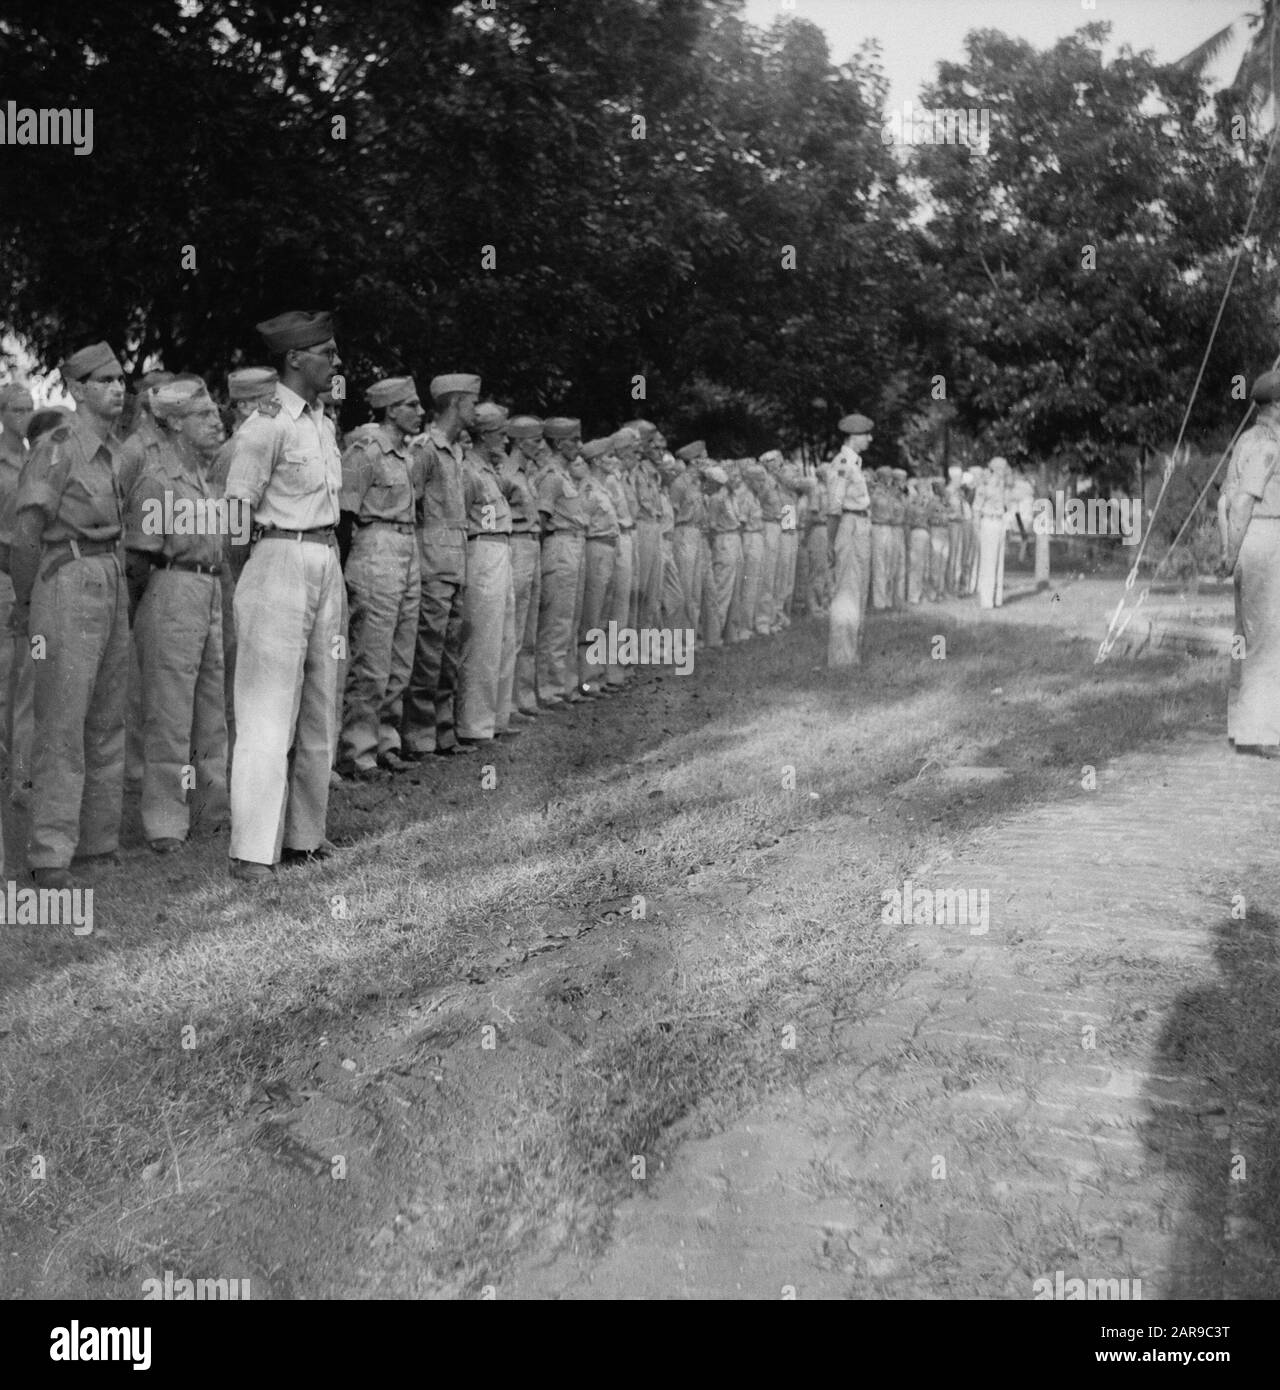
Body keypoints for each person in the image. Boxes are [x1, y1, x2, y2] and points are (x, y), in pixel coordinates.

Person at [222, 310, 346, 881]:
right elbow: (234, 518)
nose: (336, 362)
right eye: (326, 352)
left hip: (325, 557)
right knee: (268, 712)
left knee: (322, 704)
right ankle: (252, 851)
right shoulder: (266, 424)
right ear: (295, 358)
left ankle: (304, 837)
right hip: (278, 559)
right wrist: (256, 577)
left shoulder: (321, 423)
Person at [11, 342, 130, 888]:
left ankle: (100, 840)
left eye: (120, 379)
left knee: (108, 712)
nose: (118, 388)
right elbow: (27, 532)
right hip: (67, 575)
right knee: (62, 717)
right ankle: (52, 850)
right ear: (78, 389)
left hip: (108, 575)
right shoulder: (58, 447)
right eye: (104, 380)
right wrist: (30, 600)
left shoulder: (114, 450)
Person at [124, 378, 229, 851]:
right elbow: (138, 561)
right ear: (175, 424)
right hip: (171, 586)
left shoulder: (204, 476)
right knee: (168, 713)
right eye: (204, 416)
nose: (216, 421)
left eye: (214, 413)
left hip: (207, 587)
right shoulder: (157, 478)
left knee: (210, 709)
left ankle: (212, 813)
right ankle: (165, 821)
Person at [337, 375, 424, 779]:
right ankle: (358, 749)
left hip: (407, 549)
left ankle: (387, 740)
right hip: (375, 549)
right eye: (411, 405)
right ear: (391, 410)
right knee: (370, 657)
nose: (420, 412)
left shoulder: (406, 455)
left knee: (400, 655)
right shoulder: (365, 452)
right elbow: (345, 515)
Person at [402, 373, 478, 758]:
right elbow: (407, 503)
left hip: (454, 563)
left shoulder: (455, 451)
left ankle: (443, 733)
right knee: (428, 654)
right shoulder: (426, 449)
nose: (475, 410)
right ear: (455, 403)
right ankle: (418, 737)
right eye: (471, 402)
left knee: (448, 654)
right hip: (433, 563)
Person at [209, 367, 280, 761]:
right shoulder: (236, 450)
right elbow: (234, 529)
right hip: (245, 574)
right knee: (242, 681)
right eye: (270, 400)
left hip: (264, 571)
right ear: (246, 406)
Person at [1222, 370, 1280, 755]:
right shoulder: (1268, 446)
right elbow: (1242, 502)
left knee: (1244, 636)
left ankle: (1240, 724)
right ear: (1276, 407)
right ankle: (1261, 733)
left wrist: (1228, 552)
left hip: (1246, 540)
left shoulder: (1245, 439)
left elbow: (1222, 501)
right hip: (1263, 536)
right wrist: (1236, 549)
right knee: (1269, 638)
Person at [457, 401, 518, 744]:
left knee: (504, 638)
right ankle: (474, 724)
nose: (506, 441)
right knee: (483, 639)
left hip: (501, 549)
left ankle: (497, 717)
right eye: (500, 434)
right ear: (484, 435)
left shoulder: (490, 470)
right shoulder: (468, 471)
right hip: (481, 549)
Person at [535, 417, 588, 706]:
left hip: (574, 543)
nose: (579, 446)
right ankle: (549, 689)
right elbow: (541, 520)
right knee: (556, 621)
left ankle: (566, 685)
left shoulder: (566, 475)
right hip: (560, 545)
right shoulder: (552, 476)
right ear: (558, 443)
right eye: (574, 440)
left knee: (570, 619)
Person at [0, 383, 33, 807]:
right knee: (6, 683)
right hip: (4, 579)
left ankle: (22, 778)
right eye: (16, 408)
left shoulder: (34, 457)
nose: (24, 414)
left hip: (31, 577)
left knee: (28, 680)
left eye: (29, 407)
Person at [503, 415, 545, 719]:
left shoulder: (528, 472)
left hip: (533, 543)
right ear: (518, 441)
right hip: (516, 544)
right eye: (534, 439)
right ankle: (508, 703)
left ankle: (524, 696)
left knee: (529, 628)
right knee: (514, 627)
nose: (539, 445)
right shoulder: (506, 472)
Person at [825, 413, 874, 667]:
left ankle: (852, 654)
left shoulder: (854, 463)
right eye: (866, 434)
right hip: (849, 526)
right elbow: (834, 508)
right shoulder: (843, 463)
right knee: (847, 590)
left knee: (859, 589)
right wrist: (831, 543)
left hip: (860, 525)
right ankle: (841, 658)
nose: (870, 438)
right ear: (854, 436)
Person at [578, 437, 621, 692]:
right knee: (592, 615)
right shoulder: (588, 489)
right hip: (595, 547)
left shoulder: (602, 487)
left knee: (603, 614)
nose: (613, 461)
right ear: (596, 461)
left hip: (608, 547)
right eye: (608, 457)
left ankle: (598, 674)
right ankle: (587, 679)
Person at [671, 441, 708, 638]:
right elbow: (673, 513)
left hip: (696, 533)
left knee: (695, 588)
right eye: (703, 457)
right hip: (683, 532)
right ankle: (681, 635)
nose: (707, 461)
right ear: (694, 461)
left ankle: (691, 635)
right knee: (684, 585)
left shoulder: (697, 483)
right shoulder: (680, 484)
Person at [703, 465, 741, 647]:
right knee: (722, 587)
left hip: (734, 538)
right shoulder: (717, 500)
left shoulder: (730, 498)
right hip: (724, 539)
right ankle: (714, 634)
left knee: (733, 589)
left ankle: (730, 633)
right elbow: (712, 526)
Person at [974, 457, 1009, 609]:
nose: (1004, 471)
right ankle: (986, 600)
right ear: (995, 469)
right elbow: (976, 508)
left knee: (998, 562)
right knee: (988, 562)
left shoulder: (1002, 486)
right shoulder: (984, 486)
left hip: (1000, 521)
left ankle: (997, 599)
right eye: (1002, 468)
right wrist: (977, 529)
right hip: (988, 521)